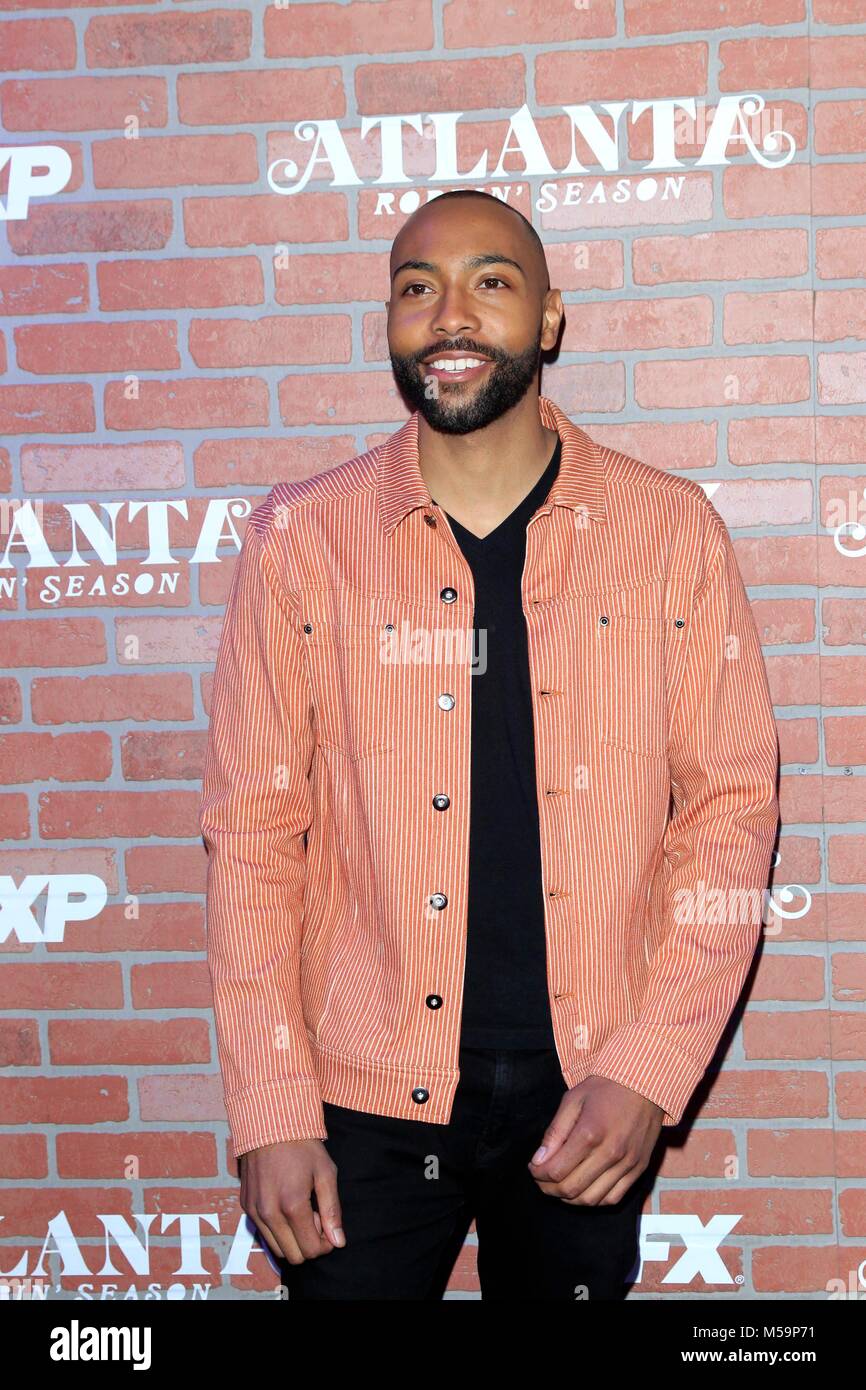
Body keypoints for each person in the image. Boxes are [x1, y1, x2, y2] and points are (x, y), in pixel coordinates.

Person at [198, 189, 780, 1301]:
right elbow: (256, 833)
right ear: (387, 323)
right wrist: (270, 1106)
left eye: (489, 282)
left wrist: (649, 1069)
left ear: (550, 317)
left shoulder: (669, 532)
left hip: (585, 1090)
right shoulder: (300, 541)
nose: (447, 314)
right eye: (415, 288)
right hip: (360, 1095)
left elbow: (729, 813)